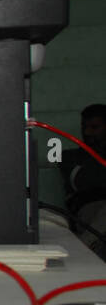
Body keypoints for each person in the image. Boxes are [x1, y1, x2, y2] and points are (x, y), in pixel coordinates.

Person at [61, 102, 106, 258]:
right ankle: (80, 253)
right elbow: (84, 181)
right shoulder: (70, 157)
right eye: (84, 127)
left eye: (94, 127)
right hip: (87, 210)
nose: (87, 132)